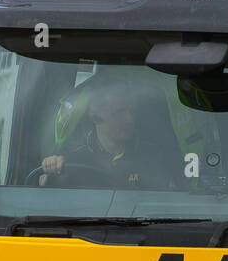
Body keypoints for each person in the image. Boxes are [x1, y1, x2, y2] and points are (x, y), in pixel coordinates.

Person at [39, 81, 176, 189]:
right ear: (95, 117)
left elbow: (168, 202)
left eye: (131, 112)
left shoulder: (155, 155)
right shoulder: (69, 160)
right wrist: (52, 176)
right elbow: (50, 200)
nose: (130, 119)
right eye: (119, 112)